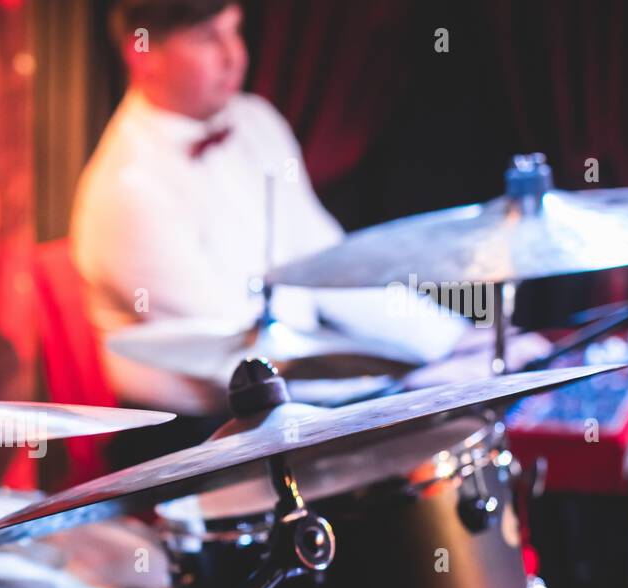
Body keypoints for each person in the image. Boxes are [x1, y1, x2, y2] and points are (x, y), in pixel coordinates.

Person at [71, 0, 539, 423]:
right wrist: (403, 385)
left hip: (295, 390)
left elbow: (328, 266)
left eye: (235, 31)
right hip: (198, 434)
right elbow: (239, 352)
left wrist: (451, 342)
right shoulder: (128, 188)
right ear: (142, 53)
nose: (234, 56)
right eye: (207, 38)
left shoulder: (255, 120)